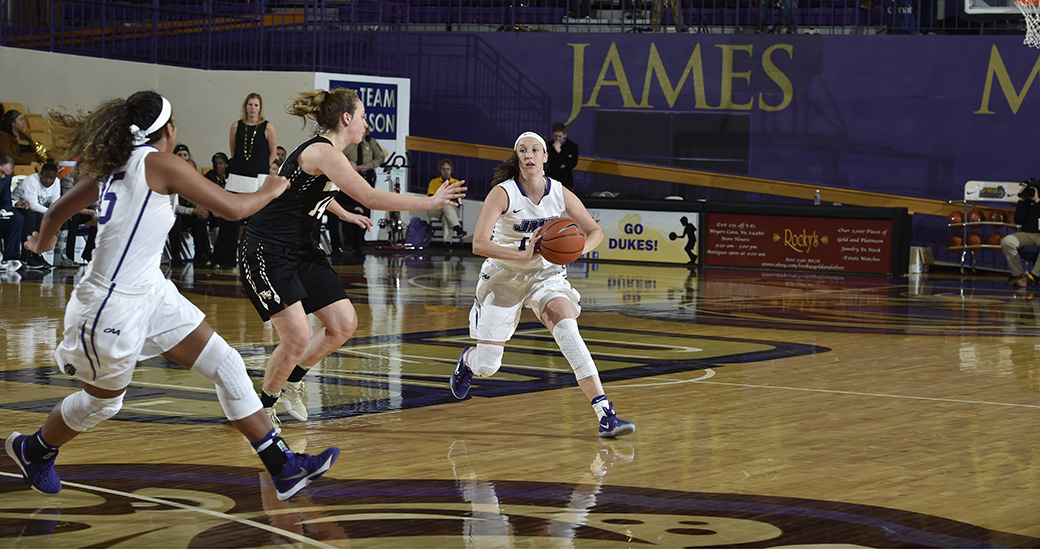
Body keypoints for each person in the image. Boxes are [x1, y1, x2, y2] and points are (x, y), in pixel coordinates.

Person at [5, 90, 338, 502]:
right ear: (167, 129)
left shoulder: (117, 165)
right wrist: (272, 189)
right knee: (104, 402)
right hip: (111, 304)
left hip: (152, 292)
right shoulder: (160, 162)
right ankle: (33, 449)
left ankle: (283, 467)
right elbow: (234, 209)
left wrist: (42, 243)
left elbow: (58, 212)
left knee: (227, 363)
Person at [240, 87, 466, 429]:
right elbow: (371, 197)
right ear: (346, 119)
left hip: (301, 249)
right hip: (267, 250)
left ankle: (293, 379)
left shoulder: (327, 153)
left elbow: (307, 190)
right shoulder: (324, 152)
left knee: (343, 323)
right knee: (297, 335)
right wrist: (432, 201)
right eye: (362, 117)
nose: (365, 125)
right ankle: (264, 405)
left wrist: (341, 212)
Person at [449, 131, 635, 439]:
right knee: (488, 366)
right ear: (518, 158)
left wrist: (577, 249)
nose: (529, 154)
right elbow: (479, 244)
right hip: (503, 276)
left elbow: (595, 232)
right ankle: (468, 361)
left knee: (569, 332)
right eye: (523, 150)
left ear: (545, 157)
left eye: (535, 149)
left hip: (545, 276)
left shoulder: (559, 192)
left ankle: (605, 414)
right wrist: (519, 254)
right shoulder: (503, 192)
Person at [215, 93, 277, 269]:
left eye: (256, 105)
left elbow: (272, 153)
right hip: (237, 174)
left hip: (258, 175)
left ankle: (257, 257)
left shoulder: (268, 127)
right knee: (231, 215)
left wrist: (262, 168)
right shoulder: (236, 125)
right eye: (250, 104)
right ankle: (225, 258)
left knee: (257, 217)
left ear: (260, 108)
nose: (252, 108)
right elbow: (233, 151)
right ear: (245, 106)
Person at [340, 127, 387, 258]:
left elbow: (380, 157)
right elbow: (338, 156)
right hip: (350, 177)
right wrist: (349, 164)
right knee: (351, 207)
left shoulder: (371, 142)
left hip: (366, 177)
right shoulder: (348, 142)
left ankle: (360, 240)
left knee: (365, 208)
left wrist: (369, 165)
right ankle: (349, 242)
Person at [168, 144, 211, 266]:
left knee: (202, 216)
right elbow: (173, 207)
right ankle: (176, 254)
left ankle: (202, 253)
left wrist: (199, 209)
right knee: (176, 218)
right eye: (179, 155)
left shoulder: (194, 180)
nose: (183, 158)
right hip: (173, 214)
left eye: (185, 155)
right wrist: (193, 211)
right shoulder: (170, 178)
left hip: (188, 214)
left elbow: (201, 200)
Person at [12, 161, 60, 268]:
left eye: (52, 178)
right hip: (19, 205)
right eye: (45, 177)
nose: (48, 180)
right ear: (40, 175)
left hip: (38, 209)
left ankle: (37, 254)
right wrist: (51, 213)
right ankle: (26, 255)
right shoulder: (31, 180)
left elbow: (55, 203)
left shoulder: (56, 182)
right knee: (32, 217)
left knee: (42, 217)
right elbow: (32, 205)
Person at [54, 161, 98, 268]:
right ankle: (69, 257)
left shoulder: (90, 182)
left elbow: (94, 202)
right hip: (68, 212)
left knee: (98, 218)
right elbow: (69, 204)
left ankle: (88, 252)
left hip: (83, 211)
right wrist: (90, 212)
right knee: (74, 217)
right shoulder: (68, 180)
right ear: (78, 169)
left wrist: (96, 210)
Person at [1003, 177, 1040, 288]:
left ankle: (1034, 276)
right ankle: (1018, 275)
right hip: (1027, 234)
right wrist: (1022, 200)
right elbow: (1019, 219)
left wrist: (1037, 200)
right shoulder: (1026, 201)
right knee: (1007, 241)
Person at [427, 158, 467, 245]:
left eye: (448, 169)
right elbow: (431, 197)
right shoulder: (434, 182)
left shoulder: (455, 182)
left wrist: (441, 198)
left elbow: (456, 198)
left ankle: (447, 243)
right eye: (443, 169)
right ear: (440, 170)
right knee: (445, 203)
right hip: (436, 210)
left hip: (451, 209)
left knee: (446, 211)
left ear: (451, 170)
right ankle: (457, 228)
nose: (445, 171)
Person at [0, 155, 24, 272]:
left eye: (6, 174)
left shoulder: (6, 178)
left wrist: (5, 210)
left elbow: (6, 199)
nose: (2, 176)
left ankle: (10, 259)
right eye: (1, 172)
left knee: (17, 218)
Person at [546, 123, 579, 193]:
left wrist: (560, 152)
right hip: (551, 178)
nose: (557, 139)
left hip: (565, 180)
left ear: (565, 135)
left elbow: (572, 164)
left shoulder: (572, 146)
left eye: (560, 136)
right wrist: (562, 164)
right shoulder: (548, 146)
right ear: (552, 134)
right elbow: (548, 163)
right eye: (555, 136)